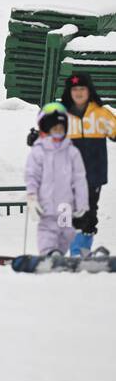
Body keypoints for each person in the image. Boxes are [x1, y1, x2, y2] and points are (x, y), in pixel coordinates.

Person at [56, 72, 115, 253]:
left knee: (88, 212)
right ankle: (62, 249)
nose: (79, 93)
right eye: (75, 89)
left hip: (93, 174)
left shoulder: (101, 114)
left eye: (82, 88)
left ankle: (80, 250)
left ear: (89, 91)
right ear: (69, 92)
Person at [25, 103, 89, 255]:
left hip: (66, 205)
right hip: (46, 203)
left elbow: (79, 179)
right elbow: (32, 175)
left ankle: (59, 253)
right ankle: (48, 252)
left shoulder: (72, 152)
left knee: (66, 232)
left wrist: (82, 203)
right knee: (47, 230)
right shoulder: (39, 152)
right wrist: (32, 196)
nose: (58, 132)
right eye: (54, 129)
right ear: (47, 130)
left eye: (61, 129)